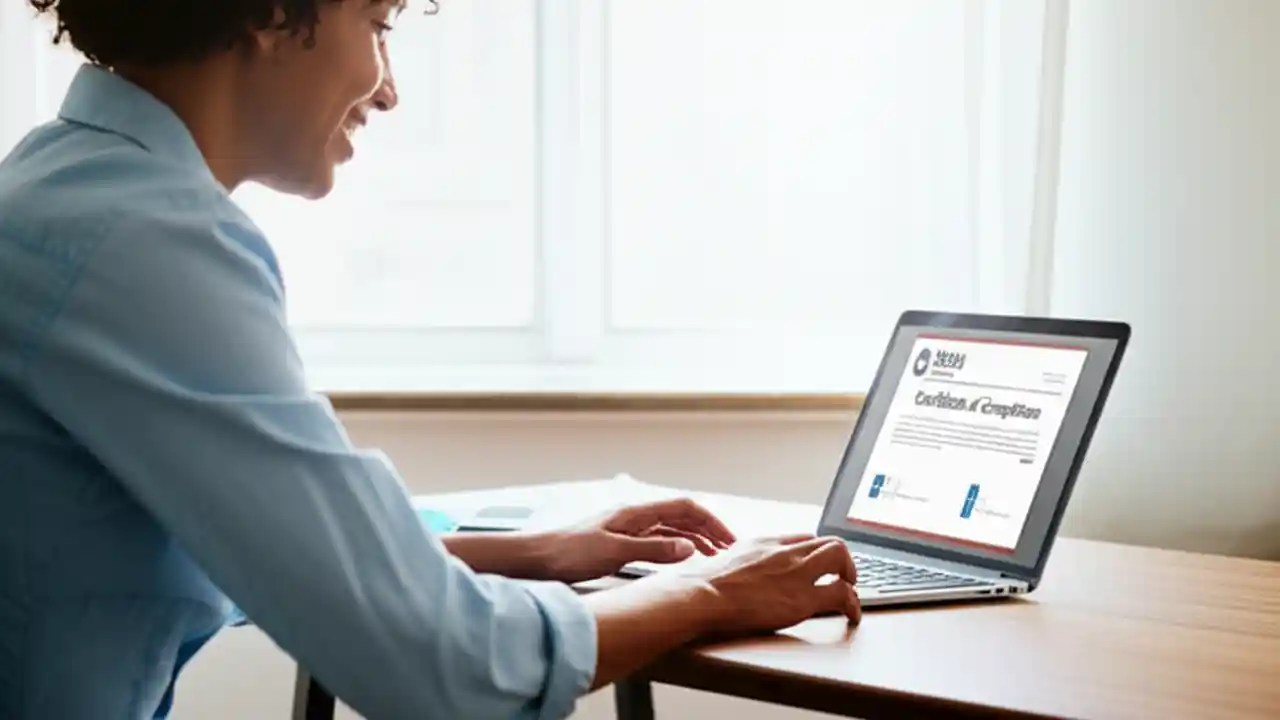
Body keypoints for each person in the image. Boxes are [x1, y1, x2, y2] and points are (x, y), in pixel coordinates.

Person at [0, 2, 862, 718]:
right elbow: (439, 664)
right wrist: (710, 593)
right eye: (378, 25)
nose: (389, 89)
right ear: (270, 14)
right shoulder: (147, 243)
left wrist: (537, 552)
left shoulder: (67, 191)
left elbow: (271, 543)